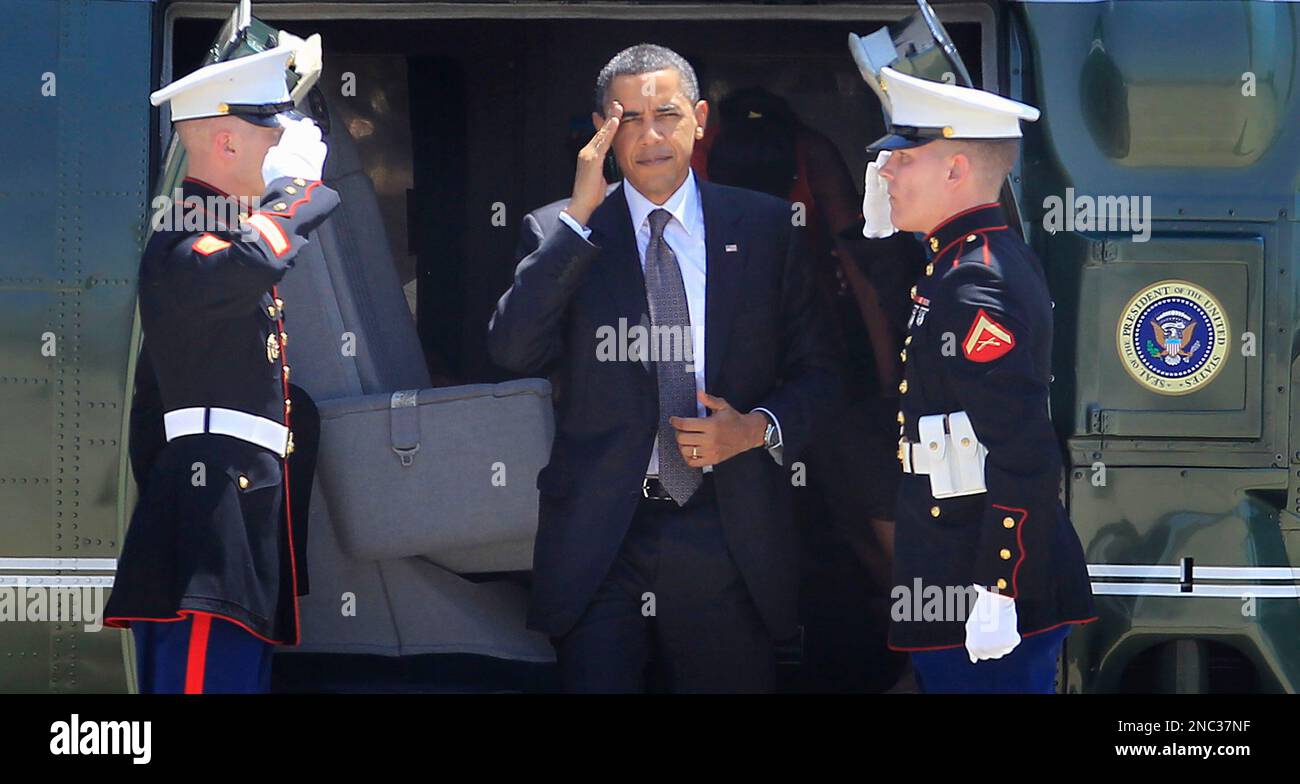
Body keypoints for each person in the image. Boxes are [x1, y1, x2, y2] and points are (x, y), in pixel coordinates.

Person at [488, 43, 839, 692]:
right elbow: (512, 351)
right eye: (627, 119)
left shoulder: (763, 227)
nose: (649, 136)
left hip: (726, 533)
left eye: (668, 114)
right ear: (602, 131)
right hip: (602, 540)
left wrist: (755, 429)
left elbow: (823, 375)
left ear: (701, 119)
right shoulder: (560, 231)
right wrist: (578, 216)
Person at [103, 45, 340, 693]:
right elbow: (247, 263)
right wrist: (297, 190)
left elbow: (151, 413)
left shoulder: (217, 230)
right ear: (229, 142)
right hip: (210, 529)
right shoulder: (185, 232)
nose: (282, 146)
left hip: (228, 524)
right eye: (273, 132)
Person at [861, 66, 1096, 693]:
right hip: (953, 569)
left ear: (955, 169)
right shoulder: (968, 259)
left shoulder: (972, 280)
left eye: (902, 158)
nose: (884, 173)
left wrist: (999, 587)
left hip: (979, 585)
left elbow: (1023, 452)